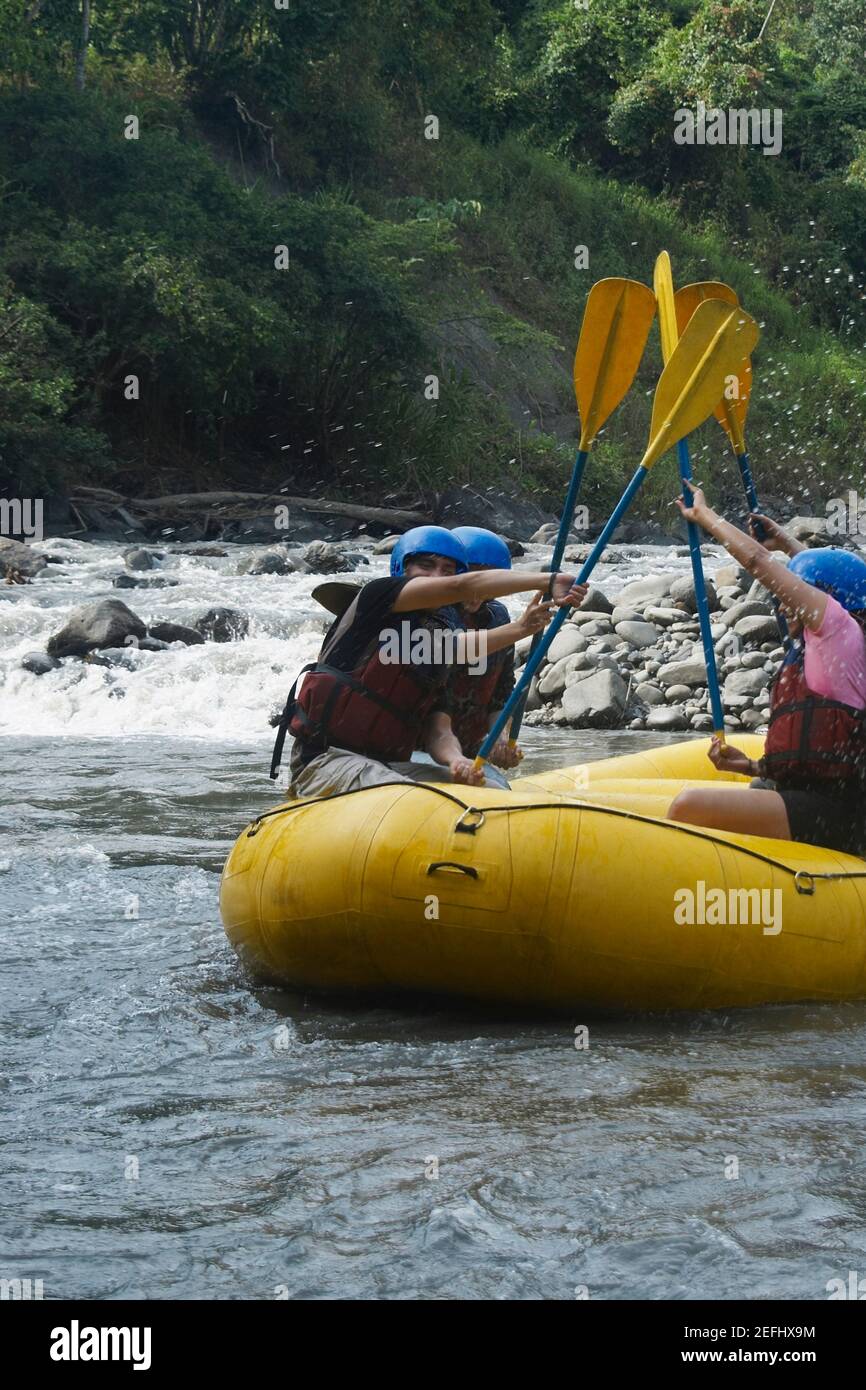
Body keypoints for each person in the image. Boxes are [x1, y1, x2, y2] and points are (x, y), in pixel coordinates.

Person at [271, 524, 587, 799]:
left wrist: (456, 761)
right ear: (401, 569)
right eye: (425, 566)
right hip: (327, 760)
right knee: (408, 798)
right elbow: (461, 588)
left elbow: (440, 728)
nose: (436, 577)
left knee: (488, 794)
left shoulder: (435, 639)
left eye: (447, 570)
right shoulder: (377, 597)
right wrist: (547, 581)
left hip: (387, 763)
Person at [666, 489, 866, 854]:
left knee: (686, 807)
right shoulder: (842, 636)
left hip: (840, 815)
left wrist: (704, 516)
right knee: (758, 789)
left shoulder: (839, 631)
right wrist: (753, 766)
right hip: (826, 801)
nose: (785, 606)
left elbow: (758, 562)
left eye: (794, 598)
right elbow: (836, 578)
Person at [421, 526, 527, 791]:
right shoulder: (427, 615)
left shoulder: (497, 618)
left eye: (488, 580)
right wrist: (524, 628)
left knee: (498, 787)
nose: (478, 591)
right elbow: (451, 648)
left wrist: (499, 739)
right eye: (471, 578)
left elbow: (501, 692)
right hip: (418, 747)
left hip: (467, 751)